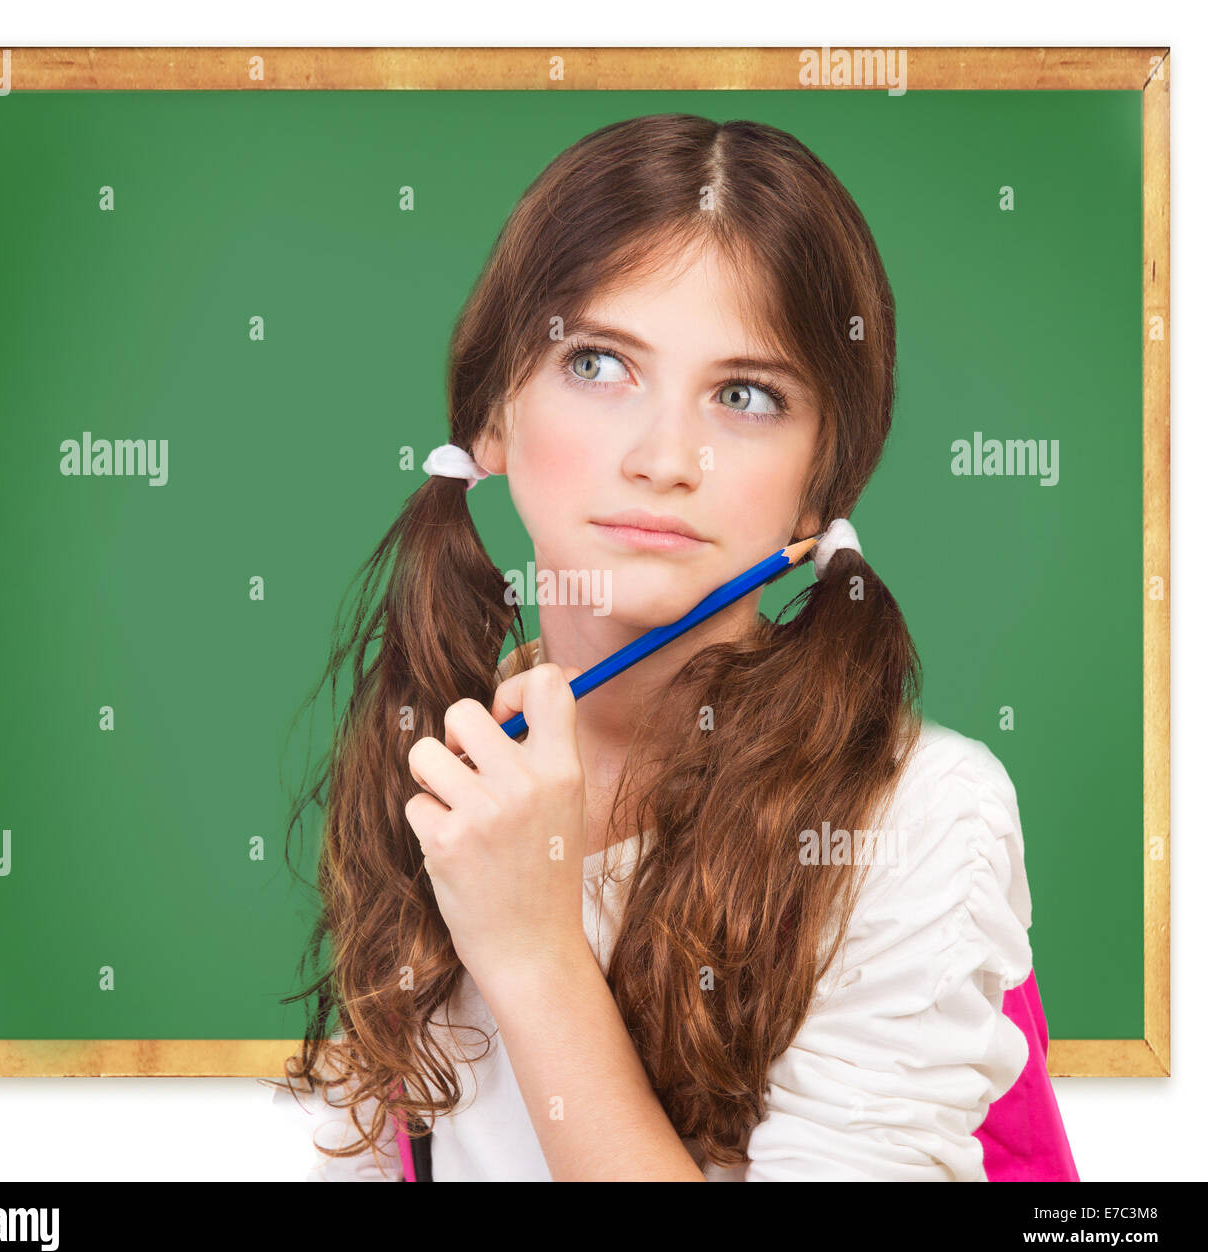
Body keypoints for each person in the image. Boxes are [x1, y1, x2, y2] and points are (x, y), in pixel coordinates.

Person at [268, 113, 1072, 1181]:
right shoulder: (446, 762)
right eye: (597, 363)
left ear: (821, 484)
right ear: (494, 413)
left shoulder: (922, 815)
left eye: (744, 396)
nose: (663, 456)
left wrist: (537, 954)